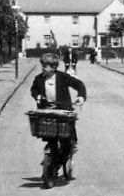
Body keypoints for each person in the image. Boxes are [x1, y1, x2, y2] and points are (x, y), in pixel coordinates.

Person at [30, 53, 86, 189]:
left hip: (63, 112)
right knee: (51, 139)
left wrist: (81, 96)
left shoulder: (62, 77)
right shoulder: (38, 79)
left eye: (47, 66)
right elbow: (34, 89)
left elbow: (78, 84)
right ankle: (51, 166)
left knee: (67, 141)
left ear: (54, 67)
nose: (43, 68)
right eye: (43, 65)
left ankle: (64, 158)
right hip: (47, 113)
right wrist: (37, 96)